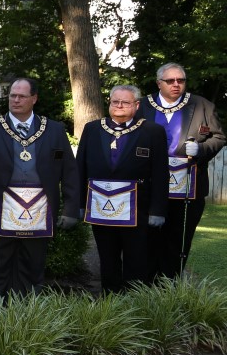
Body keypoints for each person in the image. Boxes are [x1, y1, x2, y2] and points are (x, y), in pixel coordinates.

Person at [0, 77, 80, 298]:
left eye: (21, 96)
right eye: (12, 95)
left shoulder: (53, 130)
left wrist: (71, 209)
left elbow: (69, 171)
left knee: (32, 270)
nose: (15, 100)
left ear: (34, 98)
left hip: (39, 211)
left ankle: (26, 323)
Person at [135, 63, 226, 278]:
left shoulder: (202, 105)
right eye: (170, 80)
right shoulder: (141, 106)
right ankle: (144, 286)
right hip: (147, 186)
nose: (176, 84)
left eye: (181, 80)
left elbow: (220, 137)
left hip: (188, 187)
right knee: (147, 238)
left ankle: (170, 286)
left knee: (179, 239)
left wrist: (202, 148)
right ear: (159, 83)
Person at [78, 85, 169, 292]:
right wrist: (79, 203)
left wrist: (158, 210)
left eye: (125, 102)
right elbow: (80, 168)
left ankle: (134, 303)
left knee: (136, 259)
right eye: (115, 101)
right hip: (100, 207)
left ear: (136, 105)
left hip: (138, 209)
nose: (119, 106)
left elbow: (161, 174)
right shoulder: (92, 128)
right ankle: (110, 302)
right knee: (107, 258)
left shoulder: (153, 131)